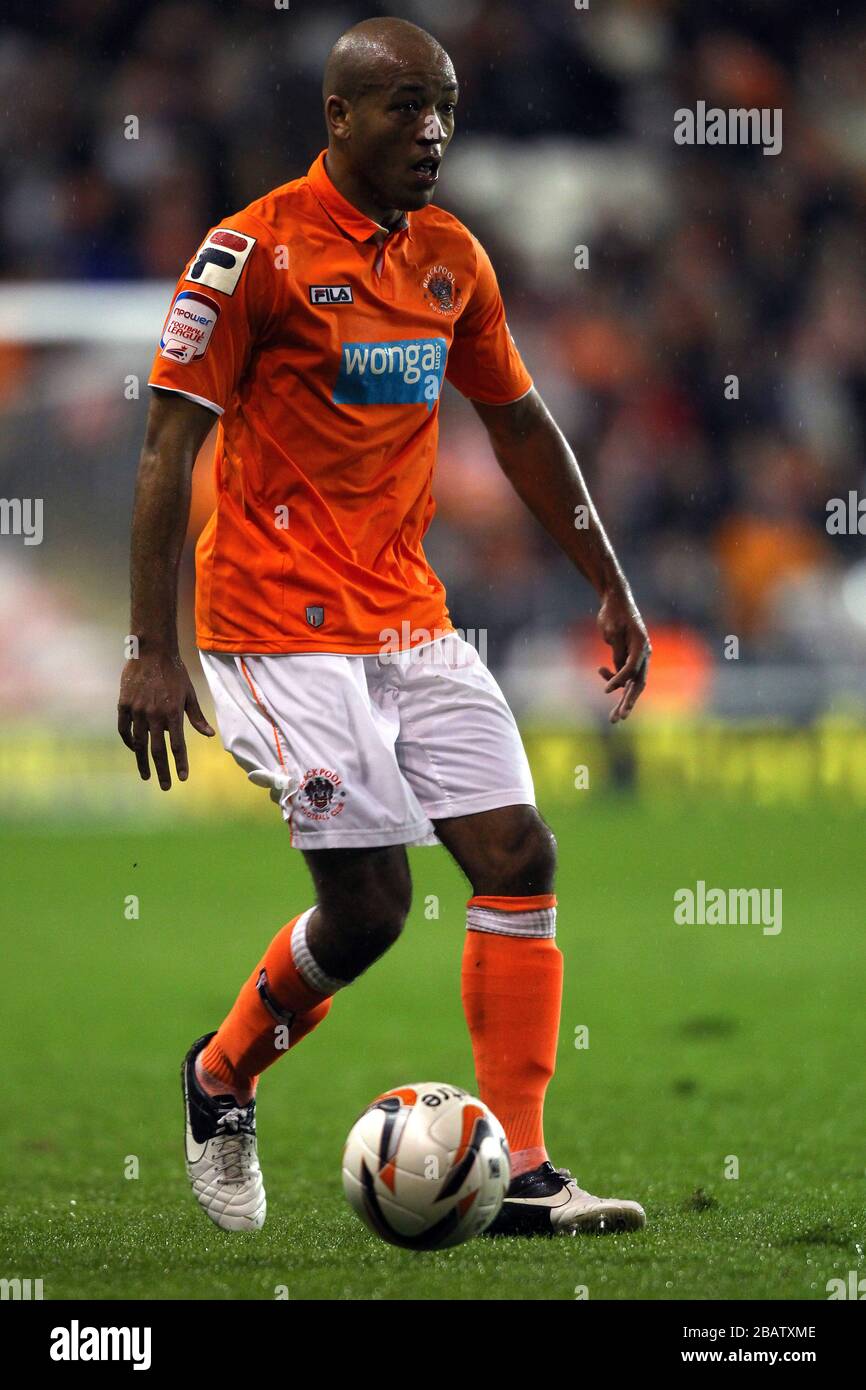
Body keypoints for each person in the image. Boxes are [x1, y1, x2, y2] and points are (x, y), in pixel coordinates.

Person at [118, 16, 651, 1238]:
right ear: (338, 117)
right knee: (367, 911)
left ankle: (519, 1168)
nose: (433, 131)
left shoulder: (451, 257)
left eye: (446, 106)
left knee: (518, 858)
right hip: (271, 629)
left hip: (408, 619)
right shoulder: (246, 254)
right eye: (405, 106)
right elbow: (165, 452)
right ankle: (221, 1075)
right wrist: (154, 647)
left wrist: (606, 578)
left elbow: (516, 422)